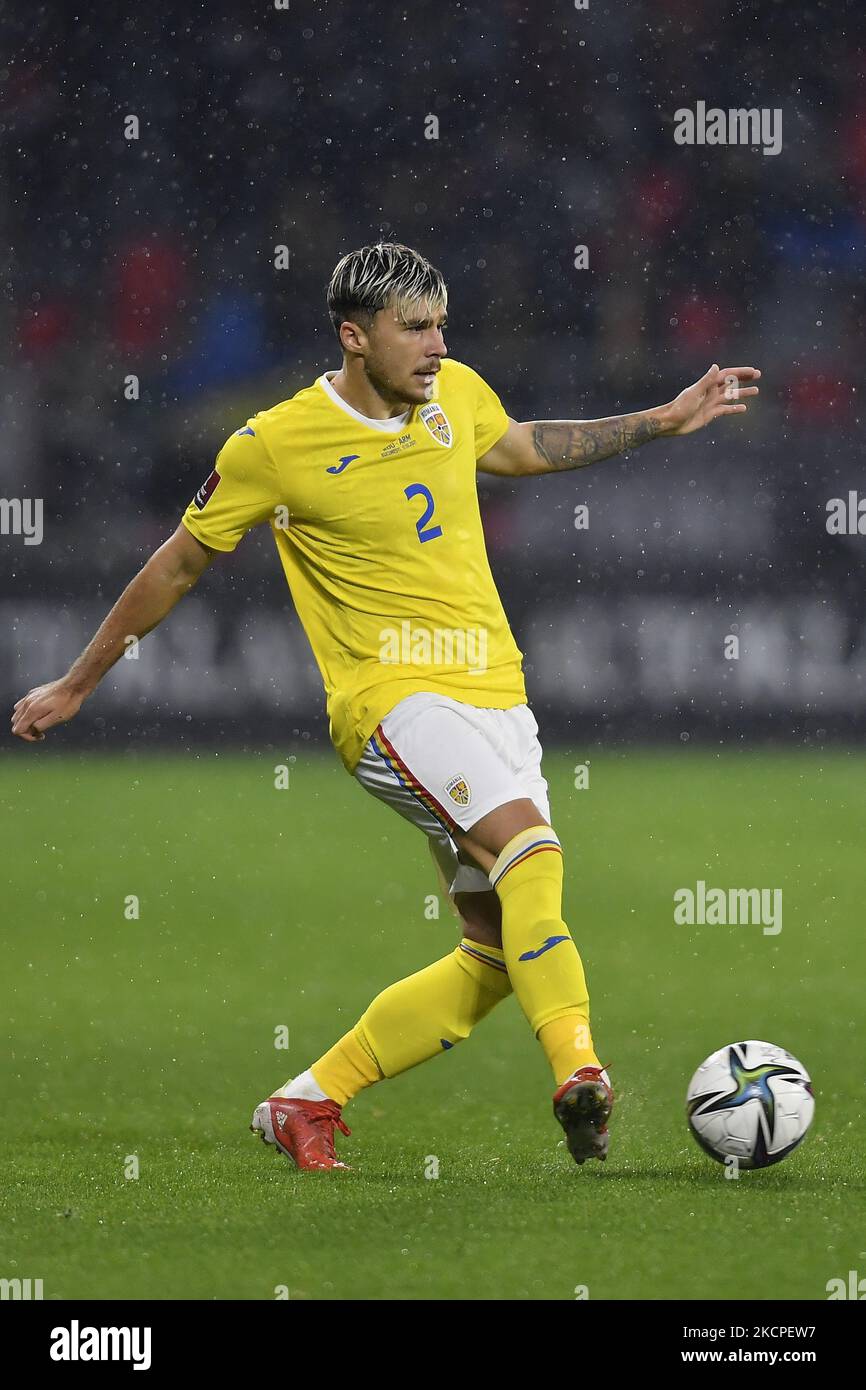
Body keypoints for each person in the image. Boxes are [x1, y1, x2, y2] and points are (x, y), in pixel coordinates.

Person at [12, 242, 760, 1172]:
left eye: (442, 323)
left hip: (498, 697)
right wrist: (78, 682)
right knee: (530, 849)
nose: (437, 344)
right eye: (415, 327)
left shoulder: (455, 395)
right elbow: (178, 562)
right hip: (390, 700)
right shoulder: (273, 445)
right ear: (354, 337)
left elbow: (521, 444)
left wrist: (663, 418)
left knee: (491, 959)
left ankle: (305, 1101)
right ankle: (580, 1074)